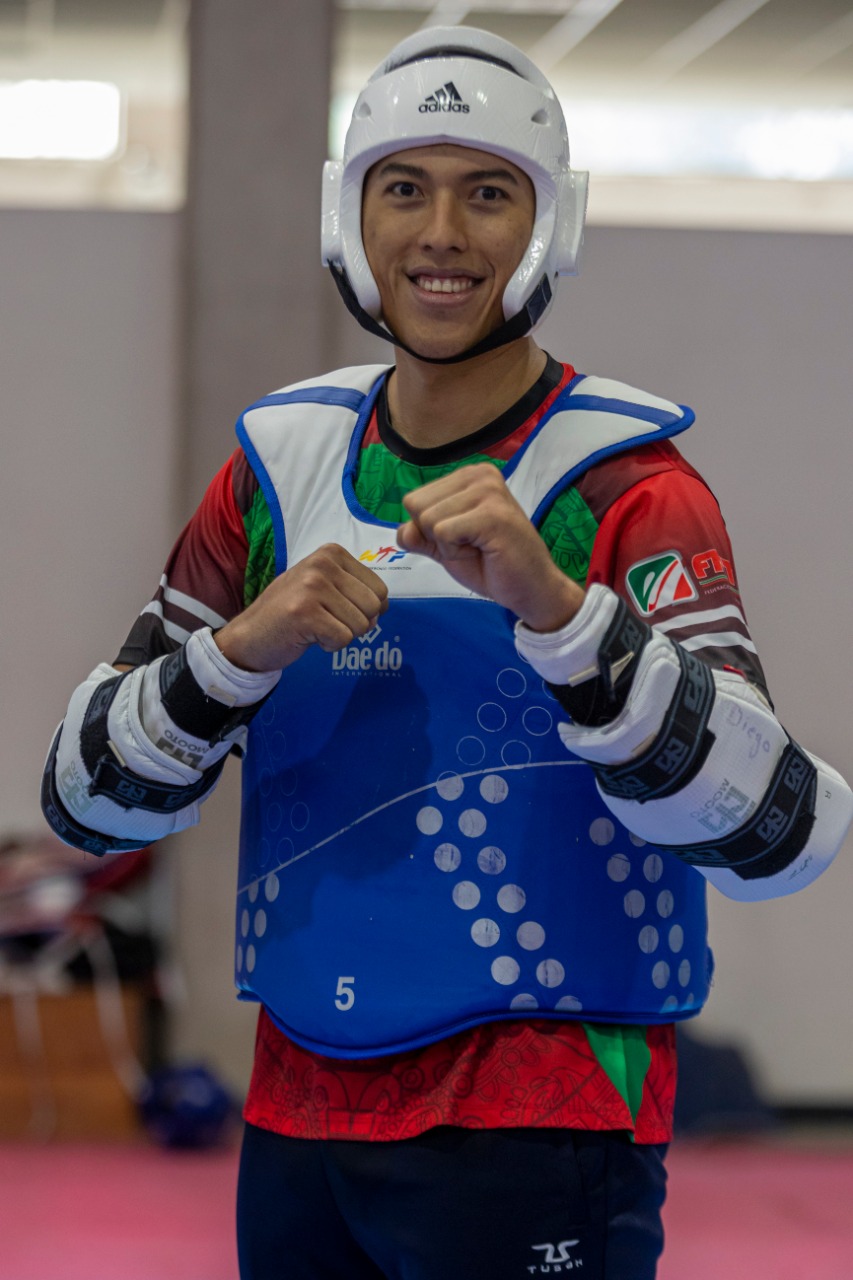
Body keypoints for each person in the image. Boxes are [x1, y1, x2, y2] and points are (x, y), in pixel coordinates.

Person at [42, 26, 852, 1280]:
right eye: (403, 188)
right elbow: (83, 800)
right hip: (300, 1100)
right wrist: (239, 652)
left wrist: (563, 615)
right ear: (350, 215)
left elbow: (779, 836)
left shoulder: (628, 484)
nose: (439, 233)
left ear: (548, 223)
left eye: (487, 193)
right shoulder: (274, 472)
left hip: (544, 1104)